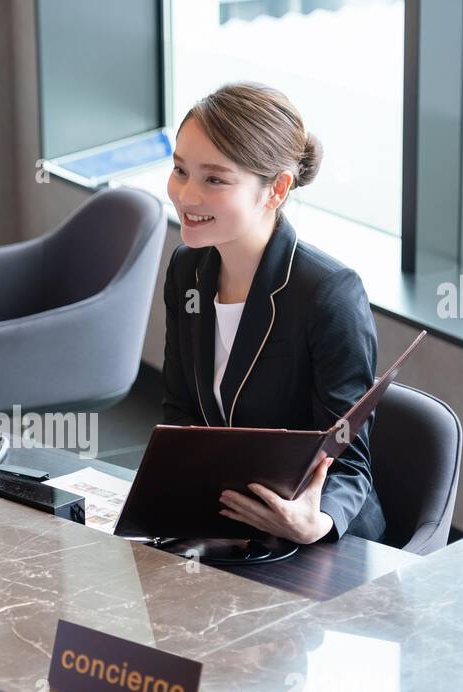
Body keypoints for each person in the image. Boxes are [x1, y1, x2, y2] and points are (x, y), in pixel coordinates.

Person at [162, 82, 388, 545]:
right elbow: (180, 413)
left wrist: (315, 523)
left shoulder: (328, 292)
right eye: (180, 170)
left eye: (214, 179)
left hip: (312, 540)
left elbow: (348, 458)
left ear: (276, 189)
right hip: (223, 522)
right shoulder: (188, 270)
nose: (186, 195)